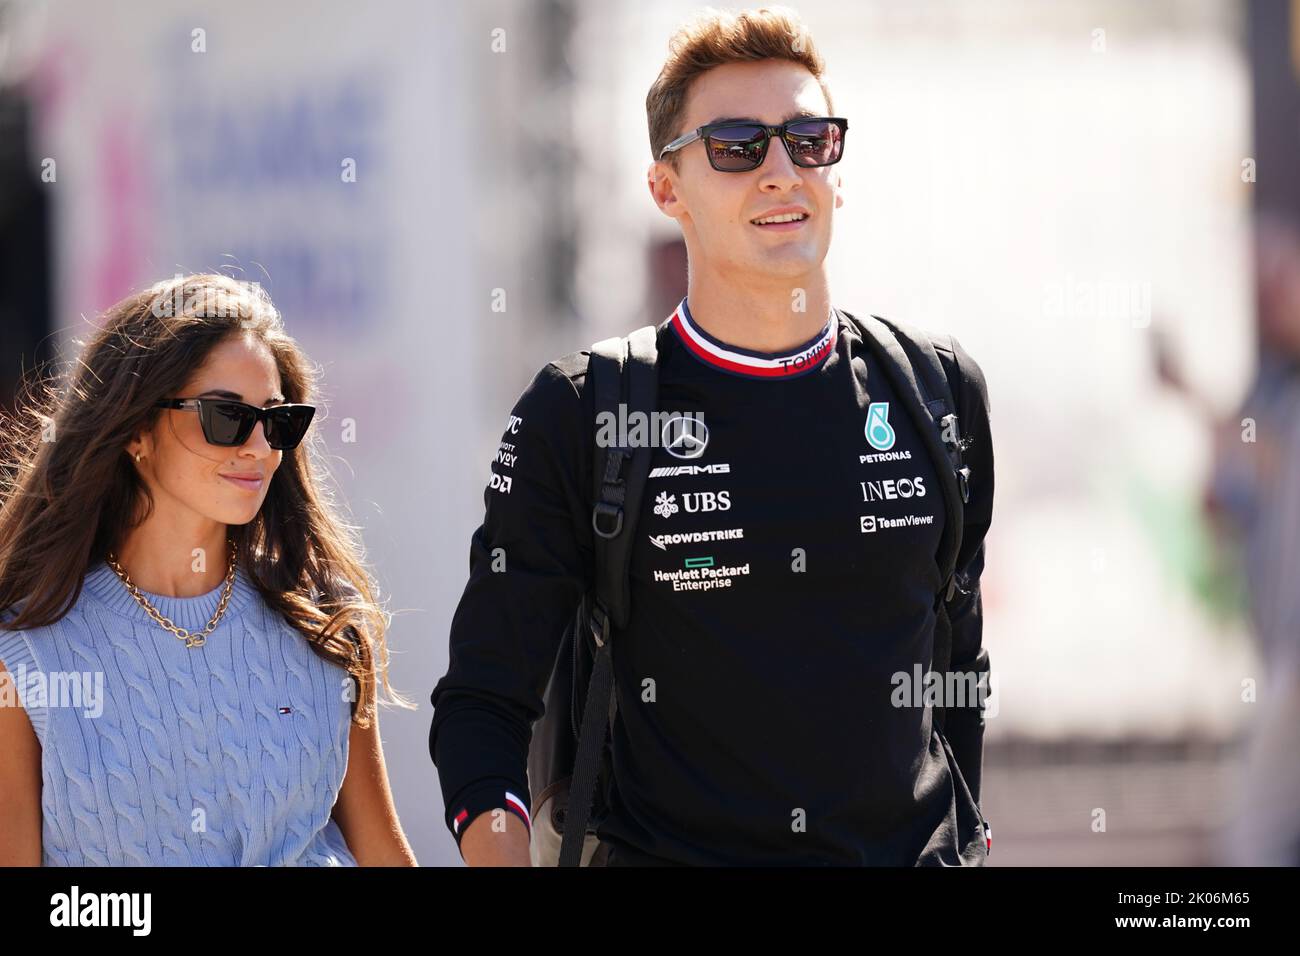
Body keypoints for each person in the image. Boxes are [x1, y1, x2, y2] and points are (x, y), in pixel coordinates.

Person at [430, 5, 995, 866]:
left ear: (836, 171)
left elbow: (958, 662)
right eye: (737, 146)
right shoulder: (580, 412)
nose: (780, 172)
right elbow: (483, 702)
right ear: (666, 187)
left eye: (810, 140)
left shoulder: (935, 388)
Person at [0, 273, 417, 866]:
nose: (259, 448)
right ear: (137, 430)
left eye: (277, 421)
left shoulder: (323, 618)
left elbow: (383, 854)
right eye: (226, 417)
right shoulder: (27, 651)